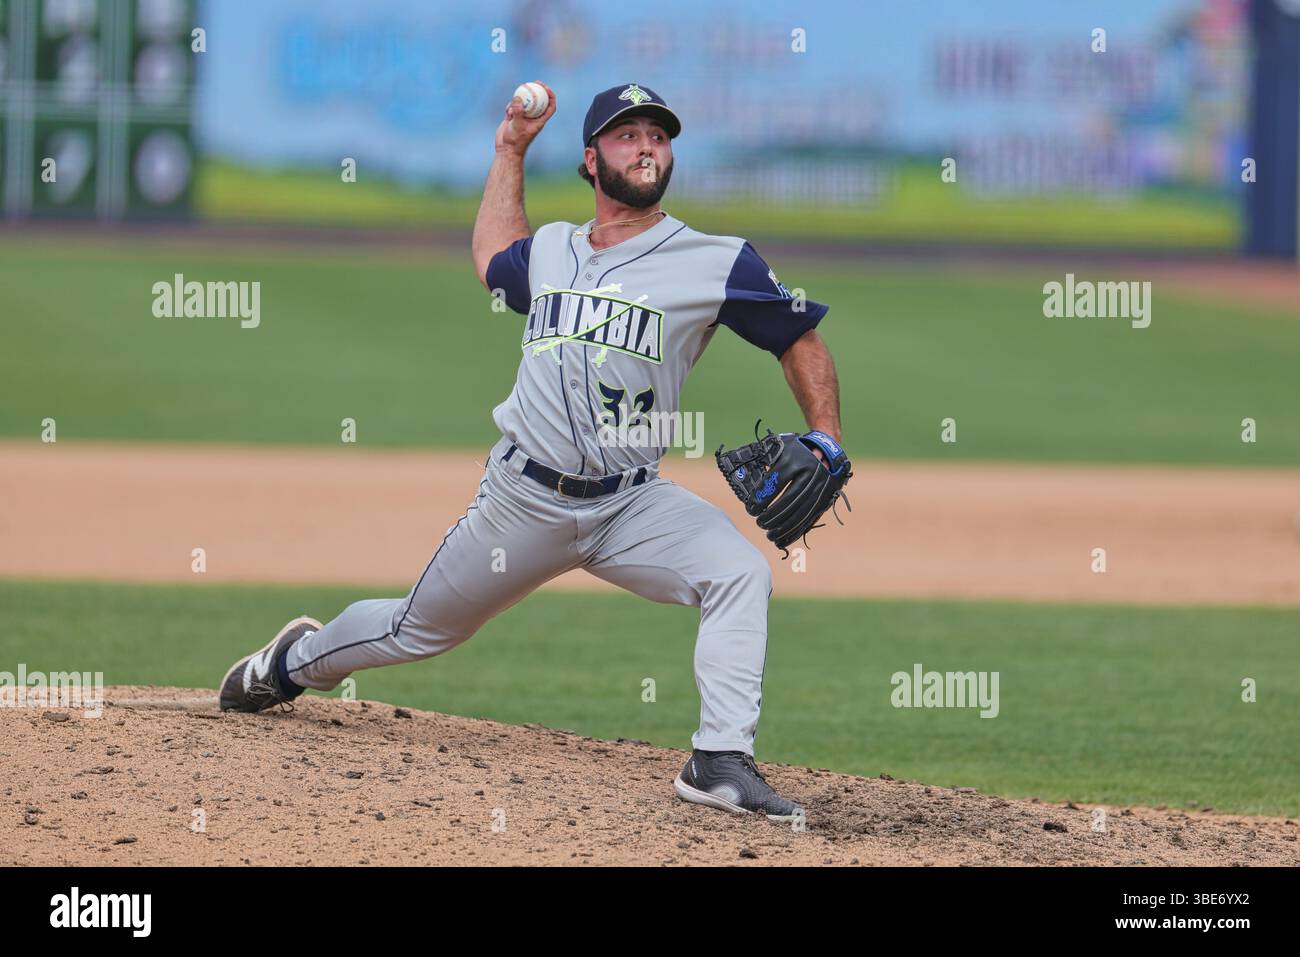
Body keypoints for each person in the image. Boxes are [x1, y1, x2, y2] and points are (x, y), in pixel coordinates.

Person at [219, 82, 843, 822]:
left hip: (631, 503)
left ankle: (718, 760)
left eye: (658, 135)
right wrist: (510, 149)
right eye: (627, 134)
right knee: (415, 630)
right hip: (522, 503)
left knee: (738, 571)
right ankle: (288, 663)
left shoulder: (715, 261)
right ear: (590, 159)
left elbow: (798, 337)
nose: (646, 146)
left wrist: (825, 436)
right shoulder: (552, 248)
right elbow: (493, 256)